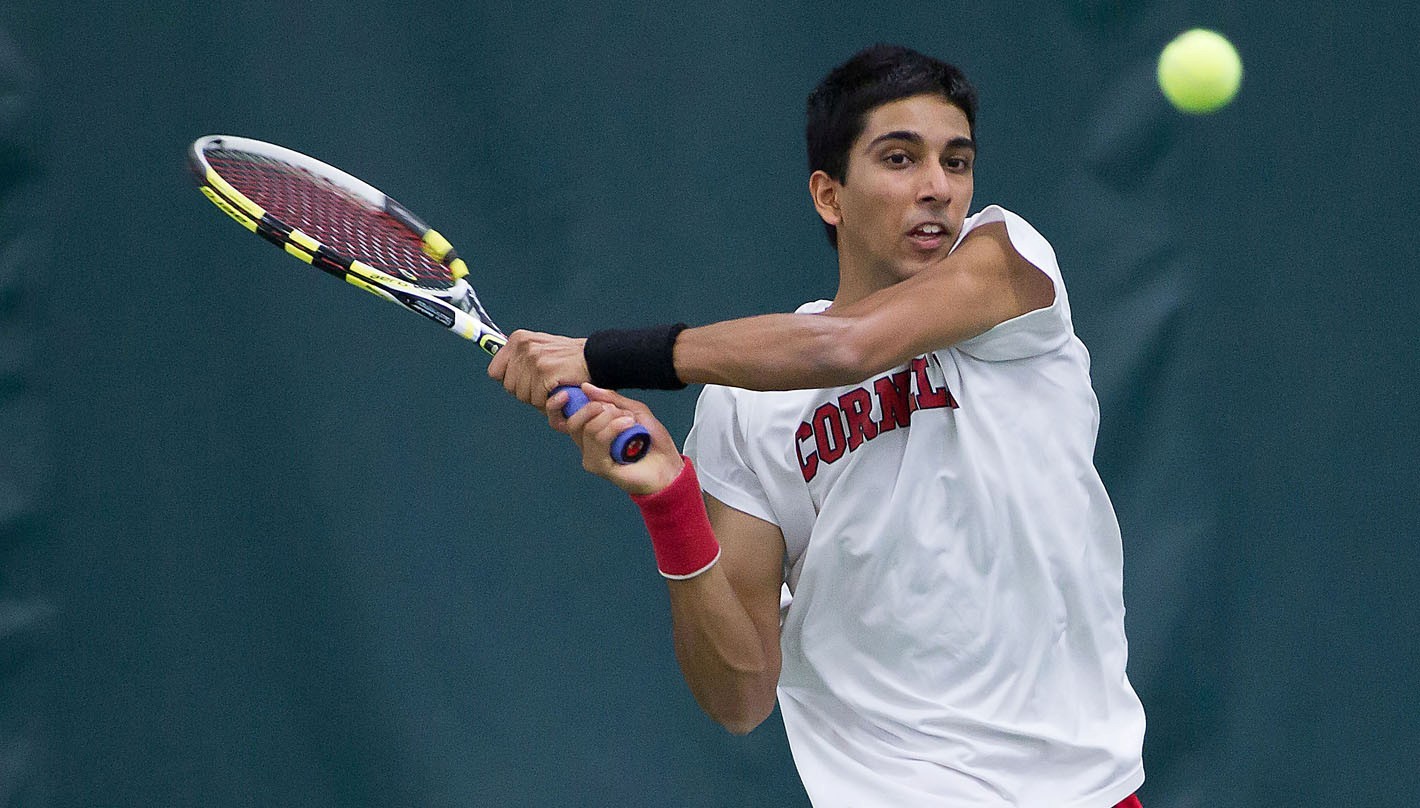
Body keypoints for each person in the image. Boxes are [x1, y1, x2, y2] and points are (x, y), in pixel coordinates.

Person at [488, 44, 1146, 808]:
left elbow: (843, 348)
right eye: (900, 158)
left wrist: (601, 356)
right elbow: (740, 697)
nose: (937, 187)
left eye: (956, 162)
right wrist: (670, 500)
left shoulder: (1012, 264)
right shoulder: (745, 405)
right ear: (829, 196)